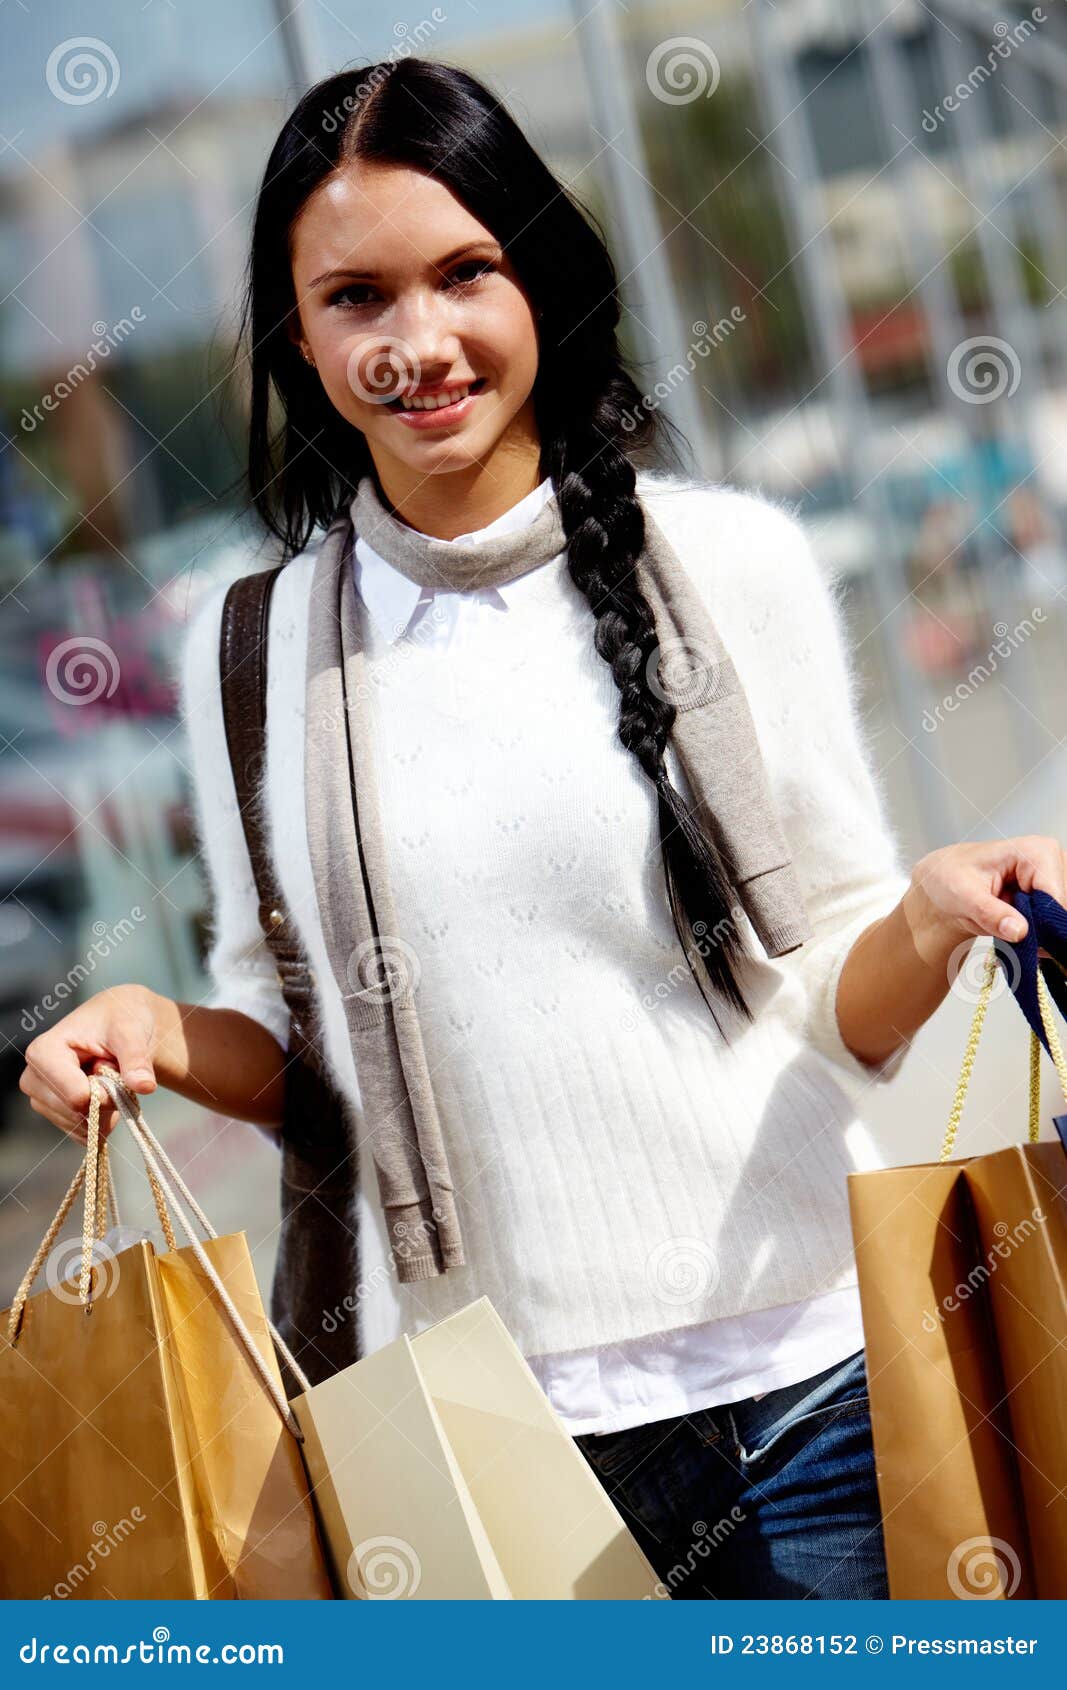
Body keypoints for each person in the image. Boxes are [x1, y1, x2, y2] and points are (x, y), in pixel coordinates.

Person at [19, 58, 1067, 1601]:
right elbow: (293, 1044)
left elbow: (843, 1008)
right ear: (297, 336)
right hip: (477, 1430)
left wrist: (924, 914)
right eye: (357, 297)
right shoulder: (250, 648)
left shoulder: (730, 563)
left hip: (819, 1393)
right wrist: (152, 1031)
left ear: (543, 278)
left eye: (465, 272)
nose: (419, 341)